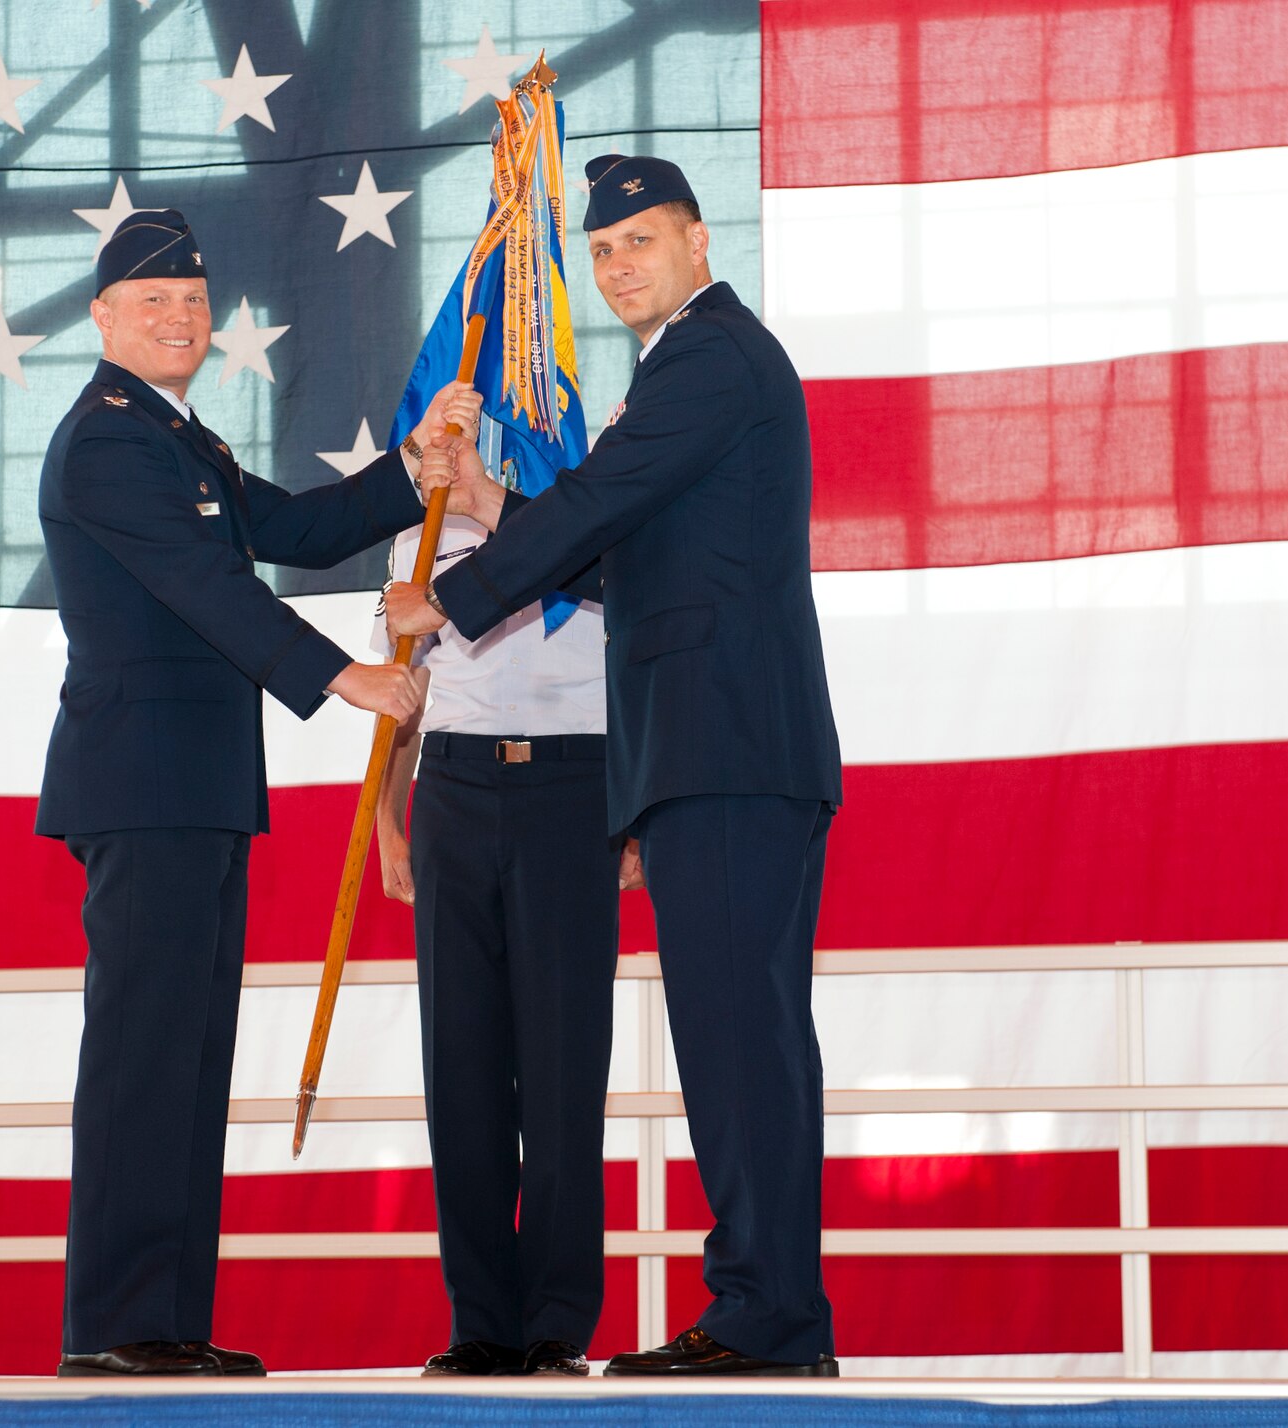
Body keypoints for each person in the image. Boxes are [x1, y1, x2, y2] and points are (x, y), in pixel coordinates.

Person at [387, 155, 844, 1377]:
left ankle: (764, 1314)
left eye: (641, 237)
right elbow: (616, 548)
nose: (617, 263)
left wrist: (453, 598)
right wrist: (487, 500)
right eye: (600, 249)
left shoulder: (706, 357)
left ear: (700, 243)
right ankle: (769, 1308)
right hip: (710, 749)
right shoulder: (687, 367)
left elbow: (604, 502)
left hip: (727, 746)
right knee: (735, 1033)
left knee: (740, 1036)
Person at [36, 208, 476, 1377]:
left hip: (197, 786)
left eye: (191, 301)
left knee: (188, 1054)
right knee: (145, 1054)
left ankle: (165, 1321)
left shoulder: (184, 441)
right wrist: (350, 679)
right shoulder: (108, 441)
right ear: (101, 319)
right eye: (150, 303)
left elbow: (287, 526)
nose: (178, 317)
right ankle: (119, 1325)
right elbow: (204, 587)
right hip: (144, 787)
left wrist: (410, 471)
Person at [371, 490, 623, 1379]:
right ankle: (481, 1320)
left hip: (573, 781)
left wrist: (634, 809)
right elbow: (408, 681)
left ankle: (556, 1322)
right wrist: (386, 816)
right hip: (455, 786)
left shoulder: (583, 509)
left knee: (563, 1067)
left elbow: (637, 659)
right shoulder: (423, 529)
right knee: (462, 1066)